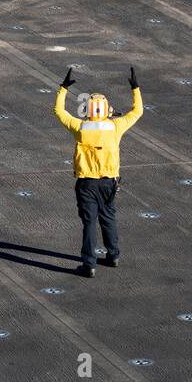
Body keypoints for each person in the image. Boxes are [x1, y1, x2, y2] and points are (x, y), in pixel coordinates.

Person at [53, 65, 143, 277]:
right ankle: (113, 255)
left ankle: (89, 264)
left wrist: (63, 88)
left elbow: (59, 111)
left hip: (86, 184)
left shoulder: (80, 128)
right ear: (107, 110)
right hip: (109, 182)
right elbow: (137, 111)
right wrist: (135, 88)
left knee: (89, 223)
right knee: (109, 218)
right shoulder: (115, 127)